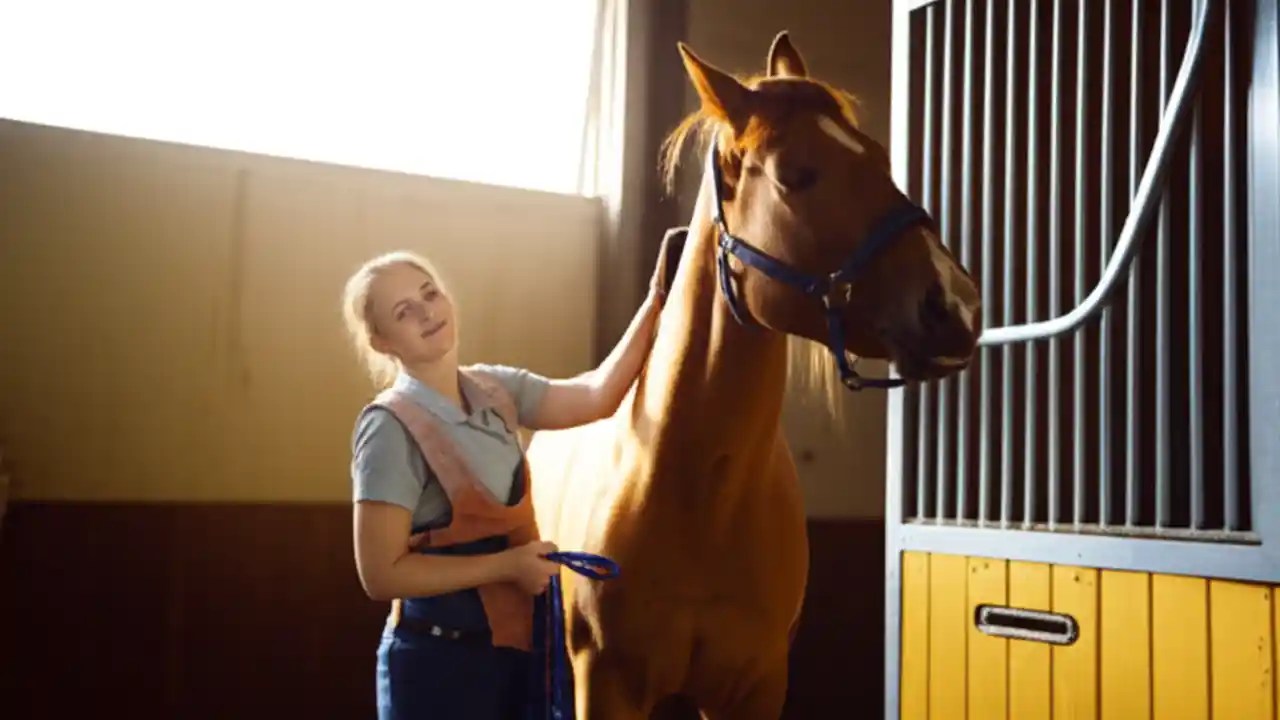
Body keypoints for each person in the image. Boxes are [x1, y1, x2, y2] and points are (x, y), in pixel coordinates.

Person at [341, 247, 669, 719]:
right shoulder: (387, 428)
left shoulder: (495, 389)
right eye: (403, 312)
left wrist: (658, 298)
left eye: (429, 293)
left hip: (518, 653)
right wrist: (508, 566)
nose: (426, 312)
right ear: (381, 342)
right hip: (438, 667)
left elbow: (598, 395)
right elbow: (381, 575)